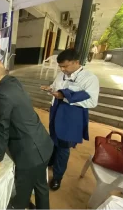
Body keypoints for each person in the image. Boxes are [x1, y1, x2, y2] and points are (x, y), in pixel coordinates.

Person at [0, 61, 53, 210]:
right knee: (41, 186)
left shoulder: (0, 93)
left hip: (29, 153)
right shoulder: (12, 81)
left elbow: (2, 127)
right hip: (43, 143)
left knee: (20, 197)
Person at [41, 49, 99, 191]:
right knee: (53, 139)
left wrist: (66, 98)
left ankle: (57, 176)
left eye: (65, 66)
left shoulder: (89, 79)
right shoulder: (62, 74)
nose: (62, 69)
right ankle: (51, 161)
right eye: (60, 66)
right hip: (56, 112)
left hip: (71, 117)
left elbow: (92, 102)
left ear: (76, 62)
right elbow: (57, 87)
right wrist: (50, 89)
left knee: (63, 147)